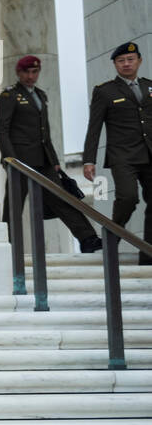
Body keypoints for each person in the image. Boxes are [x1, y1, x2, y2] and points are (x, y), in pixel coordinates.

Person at [0, 55, 101, 253]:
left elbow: (45, 133)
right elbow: (1, 130)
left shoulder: (41, 96)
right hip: (19, 161)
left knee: (62, 198)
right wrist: (10, 160)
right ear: (19, 73)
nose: (30, 76)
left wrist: (54, 161)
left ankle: (88, 238)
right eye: (26, 72)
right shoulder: (9, 96)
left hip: (44, 161)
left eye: (34, 72)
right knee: (14, 208)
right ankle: (5, 248)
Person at [83, 41, 152, 264]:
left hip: (149, 154)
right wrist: (88, 160)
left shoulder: (149, 87)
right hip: (123, 156)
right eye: (121, 61)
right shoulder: (104, 91)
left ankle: (147, 253)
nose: (126, 64)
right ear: (115, 64)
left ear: (139, 61)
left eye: (130, 60)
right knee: (128, 197)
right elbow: (94, 127)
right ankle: (112, 235)